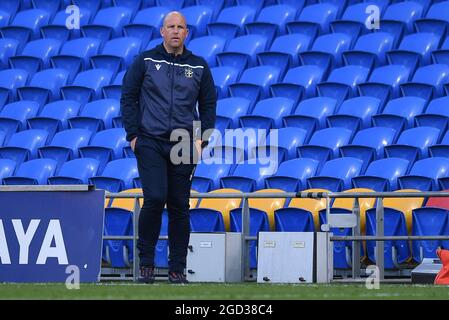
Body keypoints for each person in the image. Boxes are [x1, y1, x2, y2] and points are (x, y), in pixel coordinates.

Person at [120, 11, 216, 284]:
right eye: (170, 27)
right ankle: (147, 264)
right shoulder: (146, 60)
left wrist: (202, 140)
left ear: (187, 32)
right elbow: (128, 96)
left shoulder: (199, 66)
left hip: (184, 143)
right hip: (149, 140)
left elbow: (208, 105)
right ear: (162, 31)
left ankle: (177, 268)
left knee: (179, 206)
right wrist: (133, 135)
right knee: (154, 198)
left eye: (180, 27)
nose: (175, 31)